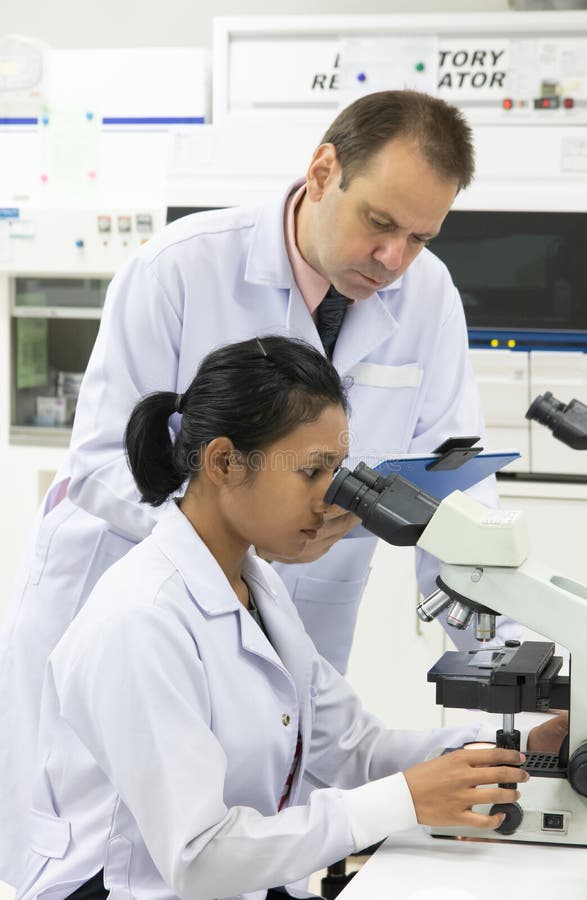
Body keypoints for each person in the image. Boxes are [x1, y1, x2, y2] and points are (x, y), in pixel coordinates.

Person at [0, 89, 518, 885]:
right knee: (135, 842)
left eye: (419, 237)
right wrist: (227, 555)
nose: (394, 260)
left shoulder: (427, 293)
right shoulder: (177, 268)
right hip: (152, 615)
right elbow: (108, 468)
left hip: (262, 599)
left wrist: (500, 670)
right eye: (380, 224)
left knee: (276, 804)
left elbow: (453, 489)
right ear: (322, 171)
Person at [16, 336, 533, 900]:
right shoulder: (141, 622)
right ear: (223, 462)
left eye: (337, 473)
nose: (332, 501)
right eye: (312, 472)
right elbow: (198, 859)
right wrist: (403, 799)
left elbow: (353, 748)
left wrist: (517, 752)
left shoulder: (254, 589)